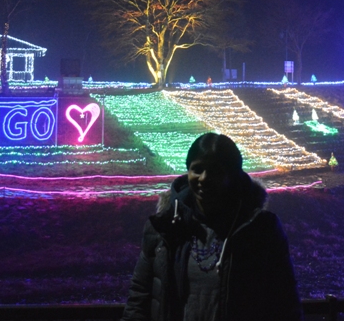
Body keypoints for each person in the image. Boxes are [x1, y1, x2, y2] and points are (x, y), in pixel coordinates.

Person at [122, 133, 303, 321]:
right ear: (187, 171)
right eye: (197, 169)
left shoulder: (261, 229)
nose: (204, 178)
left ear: (233, 176)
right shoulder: (164, 227)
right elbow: (139, 297)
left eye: (215, 171)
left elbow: (285, 302)